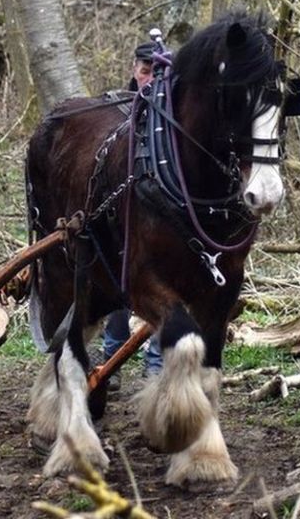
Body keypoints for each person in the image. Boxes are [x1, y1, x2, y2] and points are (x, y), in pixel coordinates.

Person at [102, 41, 164, 390]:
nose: (149, 78)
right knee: (117, 292)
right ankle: (112, 357)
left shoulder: (172, 117)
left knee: (162, 291)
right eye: (144, 70)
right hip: (119, 216)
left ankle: (154, 364)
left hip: (159, 219)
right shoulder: (117, 107)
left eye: (156, 71)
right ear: (134, 69)